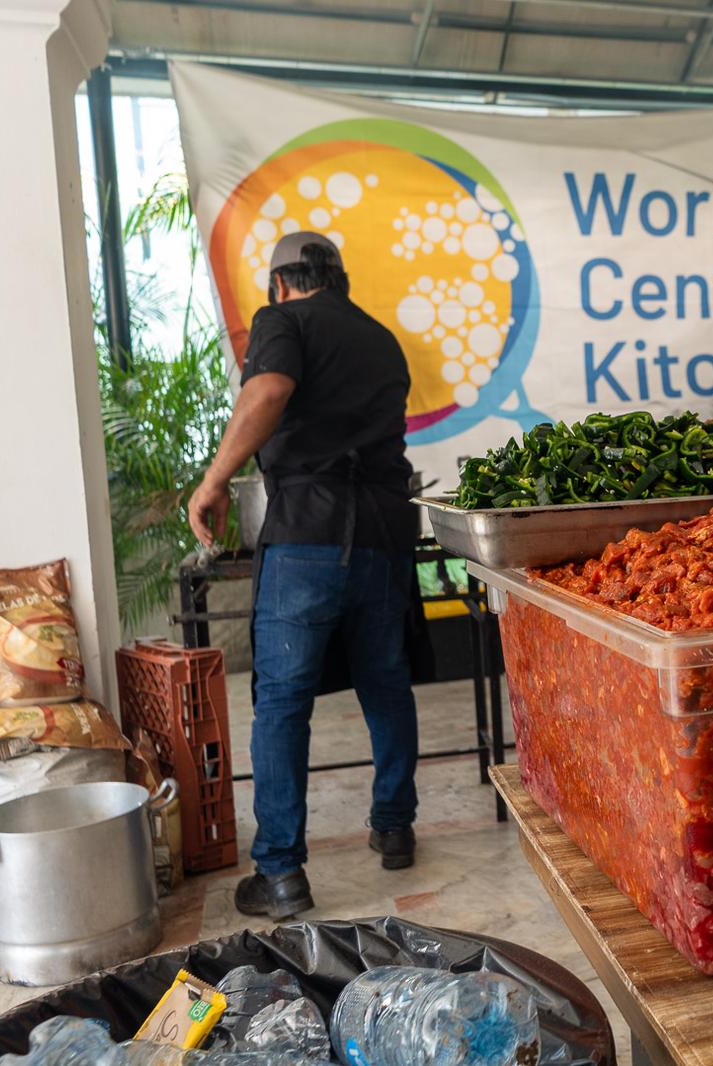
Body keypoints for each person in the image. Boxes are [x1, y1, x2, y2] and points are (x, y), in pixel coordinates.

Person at [188, 231, 421, 919]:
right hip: (381, 533)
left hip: (309, 535)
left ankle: (282, 872)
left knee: (284, 701)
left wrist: (214, 480)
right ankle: (394, 825)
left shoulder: (280, 321)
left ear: (280, 282)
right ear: (337, 279)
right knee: (384, 682)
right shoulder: (381, 338)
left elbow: (268, 391)